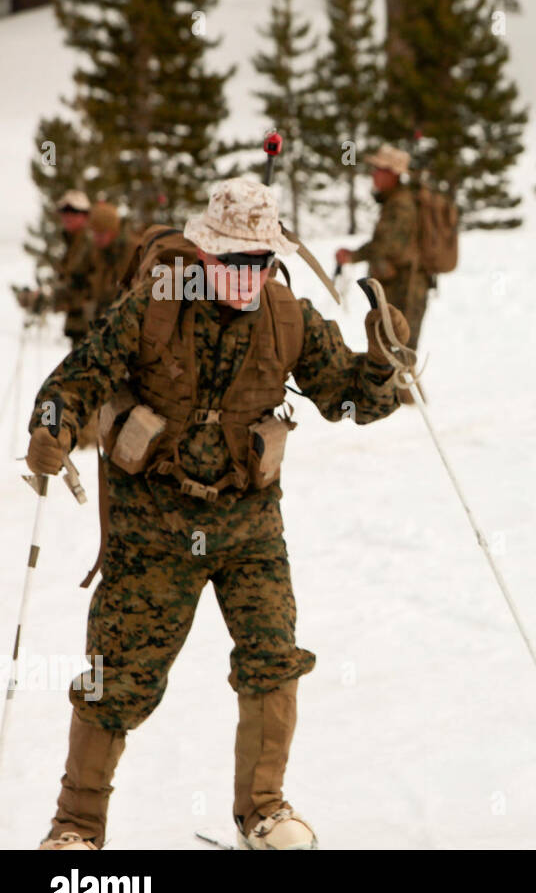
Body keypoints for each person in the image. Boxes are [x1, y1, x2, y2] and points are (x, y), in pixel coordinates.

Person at [26, 178, 410, 850]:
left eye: (257, 263)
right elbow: (79, 376)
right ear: (204, 255)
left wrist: (382, 368)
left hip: (249, 526)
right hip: (152, 528)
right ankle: (76, 826)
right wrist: (52, 427)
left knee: (272, 657)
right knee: (119, 678)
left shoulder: (287, 316)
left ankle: (263, 811)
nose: (244, 277)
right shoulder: (155, 303)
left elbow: (344, 399)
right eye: (232, 262)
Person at [335, 143, 431, 359]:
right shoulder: (394, 202)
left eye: (379, 169)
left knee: (398, 355)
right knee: (389, 353)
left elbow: (388, 245)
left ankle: (400, 393)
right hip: (397, 286)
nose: (374, 174)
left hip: (406, 288)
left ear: (393, 174)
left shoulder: (401, 204)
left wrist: (353, 256)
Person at [50, 189, 96, 347]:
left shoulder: (91, 243)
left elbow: (94, 286)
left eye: (74, 211)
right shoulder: (71, 244)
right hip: (79, 326)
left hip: (92, 327)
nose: (68, 216)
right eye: (65, 211)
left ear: (85, 215)